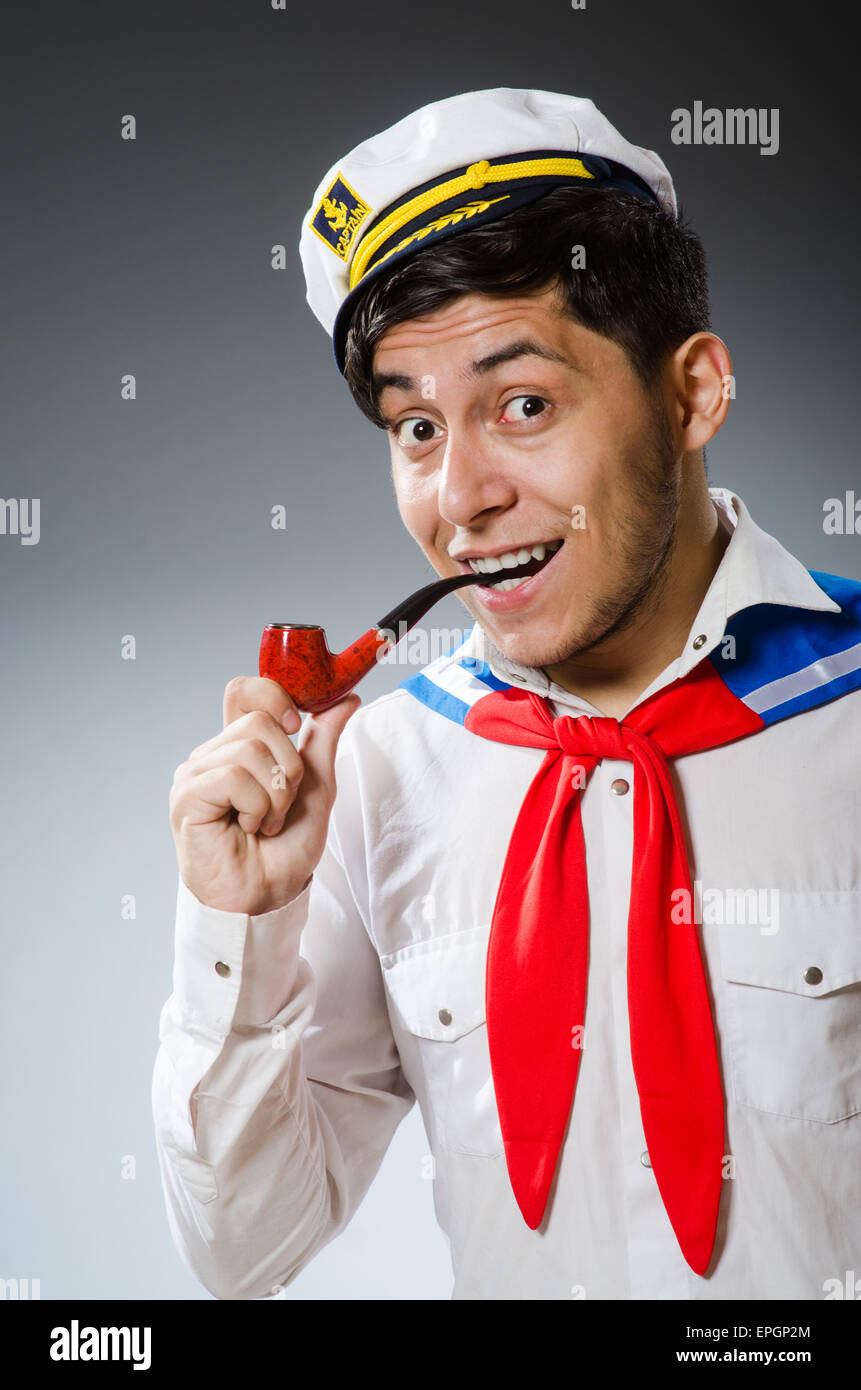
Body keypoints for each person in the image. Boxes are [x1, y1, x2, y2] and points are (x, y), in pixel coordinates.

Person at [152, 88, 861, 1300]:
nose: (461, 497)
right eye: (416, 427)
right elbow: (242, 1252)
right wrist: (242, 930)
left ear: (692, 394)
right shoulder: (377, 772)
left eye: (522, 405)